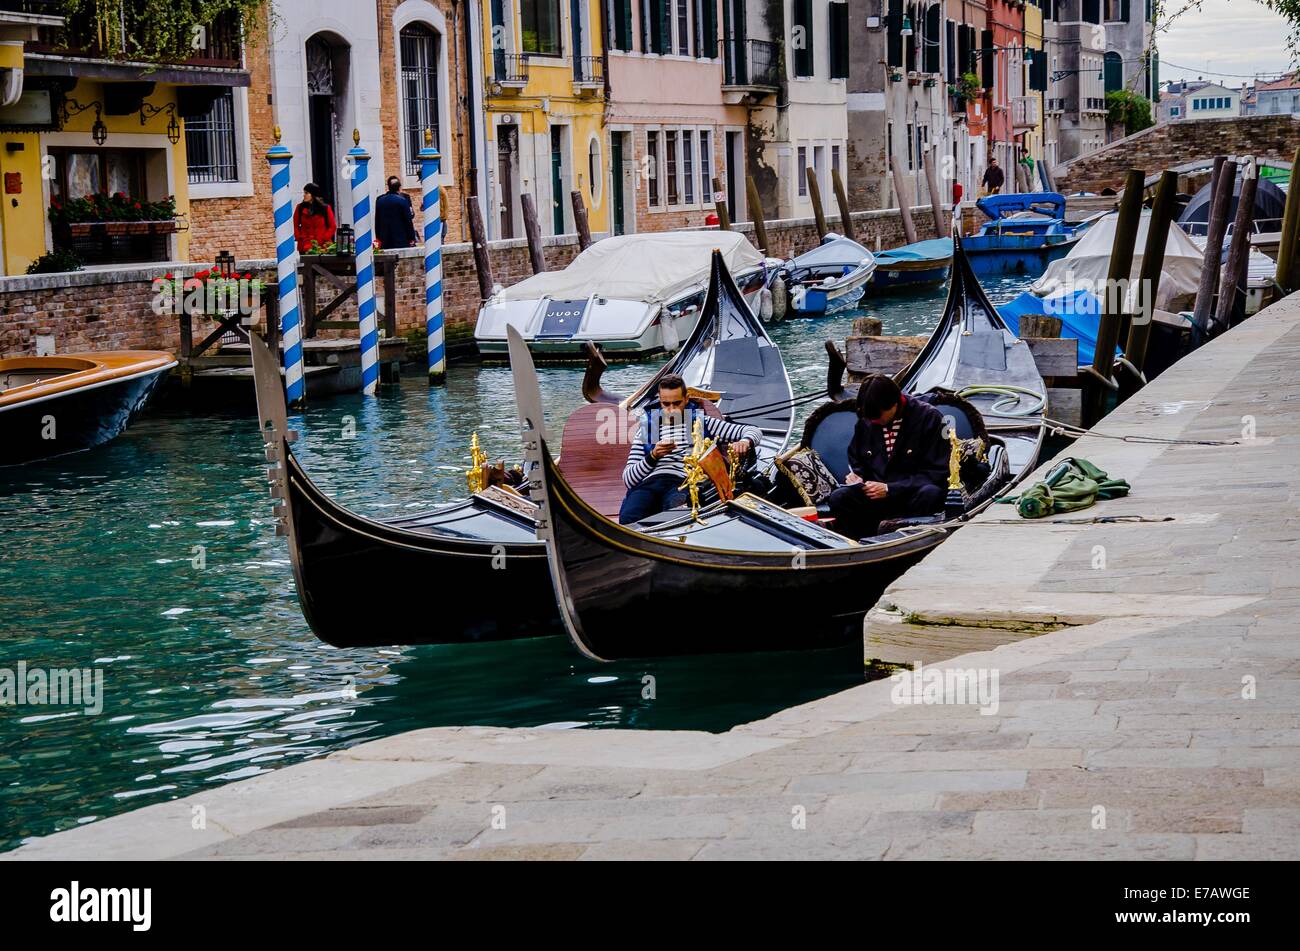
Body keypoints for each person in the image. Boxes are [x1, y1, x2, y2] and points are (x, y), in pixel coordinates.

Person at [619, 373, 764, 525]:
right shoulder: (649, 427)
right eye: (666, 404)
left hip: (685, 481)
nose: (672, 410)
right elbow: (629, 479)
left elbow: (753, 431)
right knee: (629, 517)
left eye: (677, 403)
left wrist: (745, 441)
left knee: (675, 513)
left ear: (686, 399)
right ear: (660, 401)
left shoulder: (700, 422)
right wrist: (653, 456)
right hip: (650, 482)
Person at [824, 374, 950, 540]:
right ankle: (859, 541)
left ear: (895, 403)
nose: (875, 421)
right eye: (871, 418)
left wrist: (890, 489)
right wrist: (857, 476)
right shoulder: (867, 419)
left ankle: (904, 537)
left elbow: (937, 473)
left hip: (911, 495)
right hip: (875, 498)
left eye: (879, 416)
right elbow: (857, 458)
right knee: (840, 497)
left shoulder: (930, 418)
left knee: (931, 494)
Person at [375, 175, 418, 250]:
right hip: (401, 240)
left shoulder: (379, 200)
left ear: (388, 186)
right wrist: (411, 237)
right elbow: (408, 221)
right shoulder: (402, 200)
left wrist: (378, 239)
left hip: (385, 239)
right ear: (399, 187)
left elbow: (377, 221)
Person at [294, 183, 336, 253]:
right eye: (304, 193)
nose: (304, 195)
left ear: (313, 194)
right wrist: (299, 238)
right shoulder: (300, 208)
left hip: (323, 245)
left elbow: (332, 227)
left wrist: (324, 238)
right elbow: (296, 226)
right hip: (305, 244)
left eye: (306, 193)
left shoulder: (325, 208)